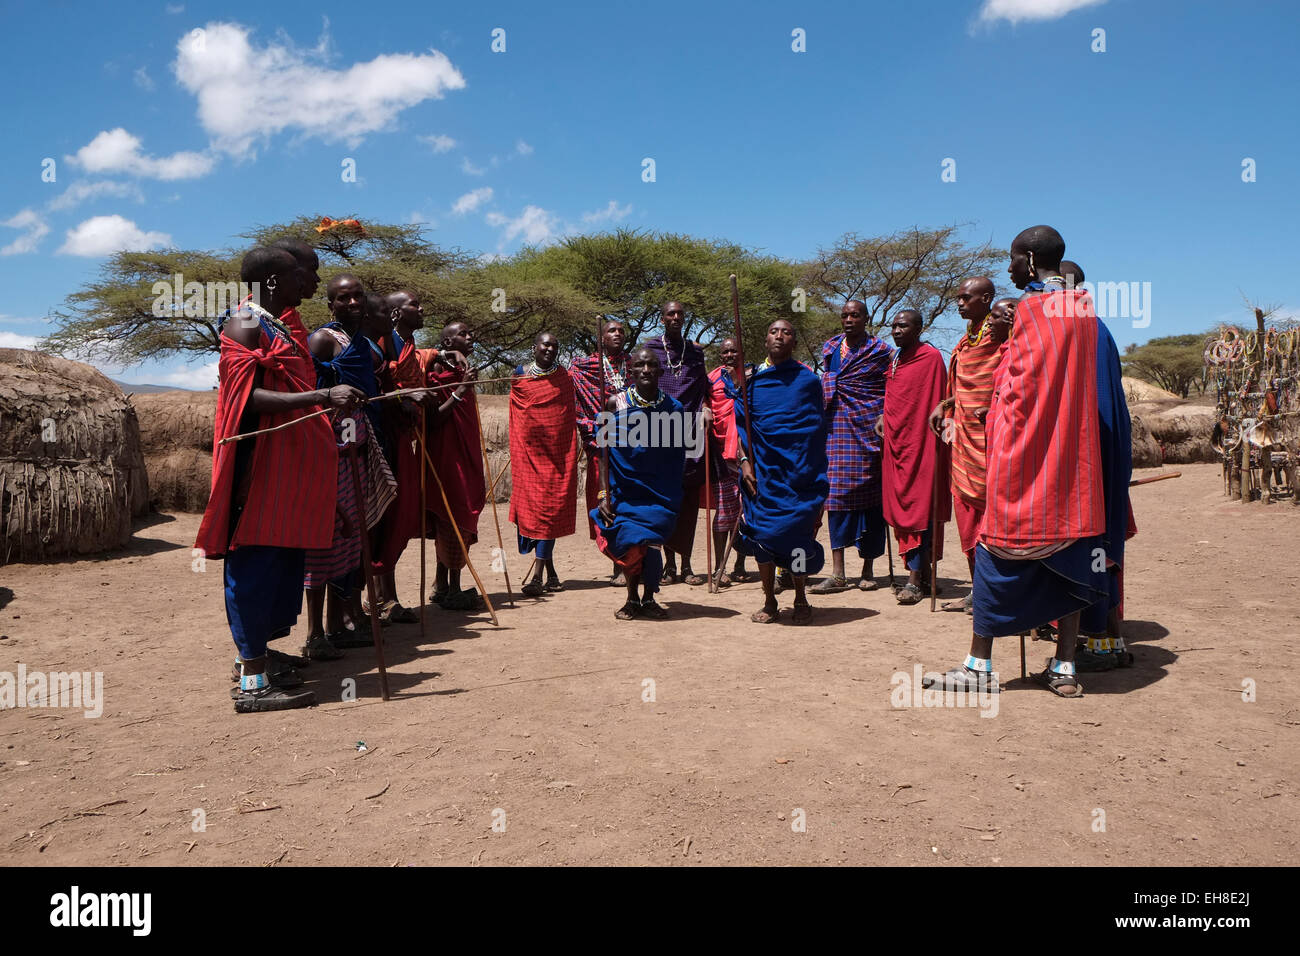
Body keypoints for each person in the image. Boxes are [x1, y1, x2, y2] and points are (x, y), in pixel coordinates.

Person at [925, 225, 1109, 698]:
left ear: (1029, 258)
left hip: (1025, 458)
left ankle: (978, 667)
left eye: (1011, 259)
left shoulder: (1030, 311)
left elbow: (1020, 389)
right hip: (1072, 461)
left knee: (993, 551)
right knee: (1069, 556)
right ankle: (1065, 667)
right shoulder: (1082, 308)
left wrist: (992, 413)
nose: (1008, 267)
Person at [195, 246, 360, 712]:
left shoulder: (277, 324)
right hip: (260, 474)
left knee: (281, 569)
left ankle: (261, 657)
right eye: (296, 276)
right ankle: (251, 683)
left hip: (289, 474)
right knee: (255, 568)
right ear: (271, 282)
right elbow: (244, 398)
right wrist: (324, 395)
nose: (305, 283)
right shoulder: (244, 323)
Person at [302, 275, 396, 655]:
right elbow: (308, 390)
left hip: (362, 443)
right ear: (331, 305)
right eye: (344, 298)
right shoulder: (324, 339)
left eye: (358, 296)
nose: (354, 302)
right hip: (332, 451)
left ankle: (340, 622)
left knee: (353, 541)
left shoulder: (368, 341)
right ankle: (314, 635)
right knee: (324, 543)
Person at [723, 318, 828, 624]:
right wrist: (744, 464)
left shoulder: (808, 381)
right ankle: (769, 600)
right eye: (773, 331)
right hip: (762, 475)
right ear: (765, 340)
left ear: (794, 342)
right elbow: (742, 430)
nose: (780, 336)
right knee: (763, 537)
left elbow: (815, 431)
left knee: (796, 537)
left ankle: (799, 597)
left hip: (799, 476)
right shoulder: (752, 381)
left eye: (787, 332)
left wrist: (807, 468)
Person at [593, 347, 686, 620]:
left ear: (660, 371)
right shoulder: (614, 405)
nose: (646, 370)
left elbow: (678, 455)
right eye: (640, 366)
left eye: (651, 365)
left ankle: (649, 599)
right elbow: (603, 454)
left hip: (660, 493)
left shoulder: (673, 408)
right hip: (625, 491)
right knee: (632, 544)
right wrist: (603, 494)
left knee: (653, 544)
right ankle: (632, 598)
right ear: (630, 371)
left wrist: (672, 492)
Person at [929, 277, 1000, 612]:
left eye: (966, 297)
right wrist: (944, 406)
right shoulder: (964, 340)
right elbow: (958, 389)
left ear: (986, 298)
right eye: (957, 297)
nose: (959, 303)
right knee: (968, 519)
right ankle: (977, 589)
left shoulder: (1000, 336)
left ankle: (999, 593)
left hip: (993, 443)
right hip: (963, 441)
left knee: (994, 520)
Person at [815, 299, 893, 594]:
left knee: (872, 500)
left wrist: (885, 415)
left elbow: (890, 388)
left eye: (855, 315)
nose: (849, 319)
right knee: (835, 499)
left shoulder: (881, 350)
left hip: (869, 430)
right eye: (845, 315)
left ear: (866, 318)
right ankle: (838, 573)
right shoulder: (831, 348)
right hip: (836, 430)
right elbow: (828, 384)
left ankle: (868, 570)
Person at [367, 289, 436, 623]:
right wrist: (404, 397)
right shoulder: (382, 344)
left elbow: (429, 356)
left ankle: (387, 596)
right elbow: (373, 389)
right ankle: (379, 598)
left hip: (406, 435)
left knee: (402, 513)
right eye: (415, 305)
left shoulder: (410, 347)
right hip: (383, 435)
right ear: (395, 314)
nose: (421, 309)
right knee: (385, 513)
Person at [879, 310, 949, 606]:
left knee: (920, 505)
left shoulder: (931, 358)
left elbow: (938, 399)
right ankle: (923, 570)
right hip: (896, 443)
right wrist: (883, 415)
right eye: (893, 326)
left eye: (903, 326)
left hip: (922, 444)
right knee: (900, 504)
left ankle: (914, 579)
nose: (896, 330)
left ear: (918, 328)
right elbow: (894, 396)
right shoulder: (894, 359)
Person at [642, 302, 712, 585]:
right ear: (662, 319)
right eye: (670, 314)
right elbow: (640, 384)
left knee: (688, 500)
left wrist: (706, 405)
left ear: (684, 319)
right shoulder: (651, 350)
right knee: (665, 498)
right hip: (660, 429)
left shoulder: (695, 352)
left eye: (679, 314)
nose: (675, 317)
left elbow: (704, 386)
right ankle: (668, 566)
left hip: (691, 430)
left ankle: (687, 565)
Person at [509, 331, 579, 596]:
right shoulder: (520, 374)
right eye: (545, 344)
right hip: (529, 456)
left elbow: (563, 415)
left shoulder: (564, 378)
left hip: (557, 457)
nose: (550, 349)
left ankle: (537, 577)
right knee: (536, 513)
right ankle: (550, 573)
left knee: (548, 512)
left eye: (555, 346)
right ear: (534, 347)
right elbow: (519, 414)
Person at [425, 321, 486, 611]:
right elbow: (434, 418)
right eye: (462, 334)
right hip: (448, 457)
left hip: (467, 453)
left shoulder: (464, 371)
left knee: (458, 514)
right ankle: (452, 588)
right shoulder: (438, 373)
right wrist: (461, 388)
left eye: (469, 332)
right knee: (453, 515)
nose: (470, 336)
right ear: (447, 343)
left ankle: (442, 585)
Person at [570, 320, 630, 584]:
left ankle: (629, 560)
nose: (617, 334)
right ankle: (617, 560)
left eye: (620, 331)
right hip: (601, 446)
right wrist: (596, 426)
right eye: (611, 331)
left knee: (630, 502)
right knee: (605, 502)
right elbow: (577, 409)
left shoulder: (635, 363)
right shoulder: (585, 367)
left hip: (633, 445)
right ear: (601, 337)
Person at [703, 338, 749, 587]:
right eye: (726, 351)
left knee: (746, 513)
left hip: (746, 453)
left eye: (734, 350)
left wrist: (738, 381)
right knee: (723, 513)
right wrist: (706, 408)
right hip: (721, 453)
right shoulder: (711, 378)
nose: (730, 354)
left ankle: (740, 562)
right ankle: (720, 564)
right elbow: (705, 401)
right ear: (720, 355)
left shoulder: (751, 374)